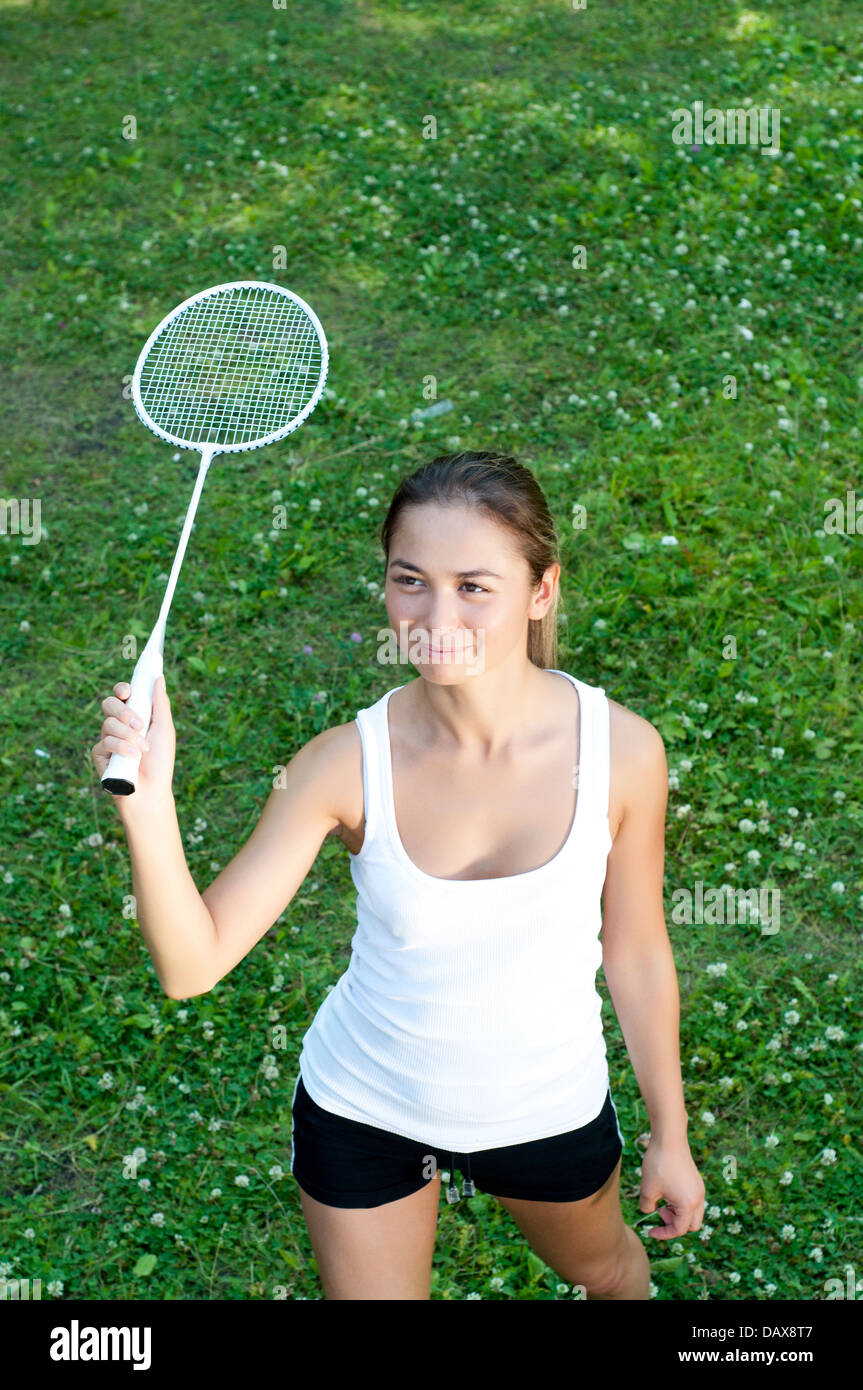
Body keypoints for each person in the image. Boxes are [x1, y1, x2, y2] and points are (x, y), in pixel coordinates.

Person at [92, 450, 705, 1301]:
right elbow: (193, 966)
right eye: (409, 580)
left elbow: (636, 951)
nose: (435, 614)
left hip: (543, 1108)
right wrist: (147, 806)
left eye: (474, 586)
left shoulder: (622, 753)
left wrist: (668, 1134)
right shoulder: (341, 766)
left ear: (541, 591)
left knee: (606, 1273)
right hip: (363, 1105)